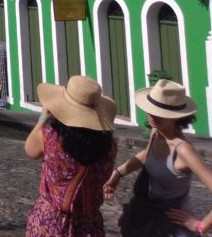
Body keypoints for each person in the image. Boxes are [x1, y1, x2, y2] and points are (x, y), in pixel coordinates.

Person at [104, 79, 212, 236]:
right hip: (147, 217)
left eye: (160, 113)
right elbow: (147, 154)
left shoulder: (183, 150)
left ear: (177, 117)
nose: (153, 116)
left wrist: (200, 226)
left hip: (171, 228)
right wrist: (118, 173)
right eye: (151, 110)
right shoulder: (157, 133)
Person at [24, 74, 117, 236]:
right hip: (89, 224)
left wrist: (43, 118)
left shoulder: (50, 138)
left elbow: (30, 150)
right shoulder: (109, 146)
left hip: (51, 223)